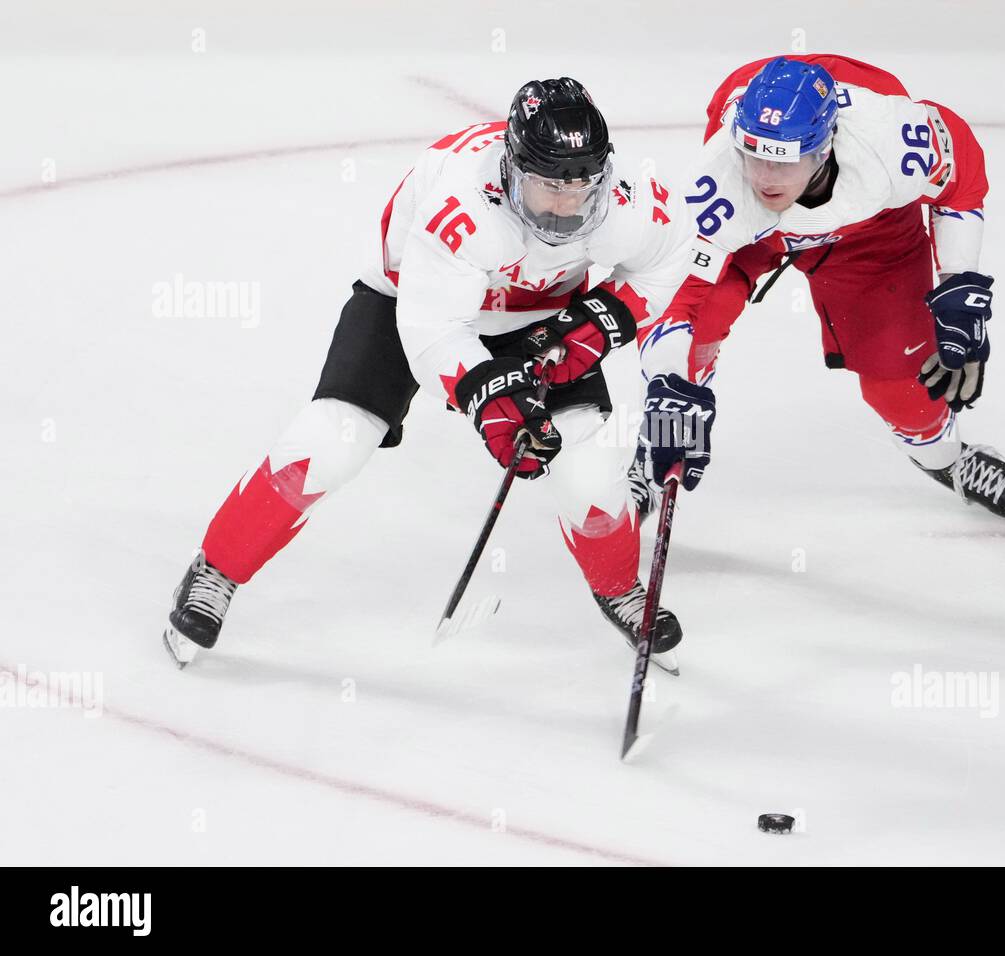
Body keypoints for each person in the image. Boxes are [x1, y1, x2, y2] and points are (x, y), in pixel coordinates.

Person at [164, 78, 694, 669]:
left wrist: (605, 320)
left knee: (588, 471)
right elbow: (435, 328)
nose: (568, 204)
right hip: (408, 300)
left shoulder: (625, 200)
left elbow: (670, 256)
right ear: (512, 168)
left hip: (540, 314)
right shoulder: (464, 206)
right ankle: (217, 567)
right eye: (549, 185)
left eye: (580, 185)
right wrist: (492, 401)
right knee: (331, 441)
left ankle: (619, 586)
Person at [634, 55, 1005, 521]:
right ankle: (653, 458)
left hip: (871, 232)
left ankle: (948, 460)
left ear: (825, 148)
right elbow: (670, 302)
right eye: (754, 153)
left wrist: (958, 282)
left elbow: (962, 176)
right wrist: (669, 392)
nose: (765, 177)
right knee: (695, 332)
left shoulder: (889, 142)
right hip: (754, 233)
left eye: (784, 160)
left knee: (906, 391)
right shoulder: (718, 188)